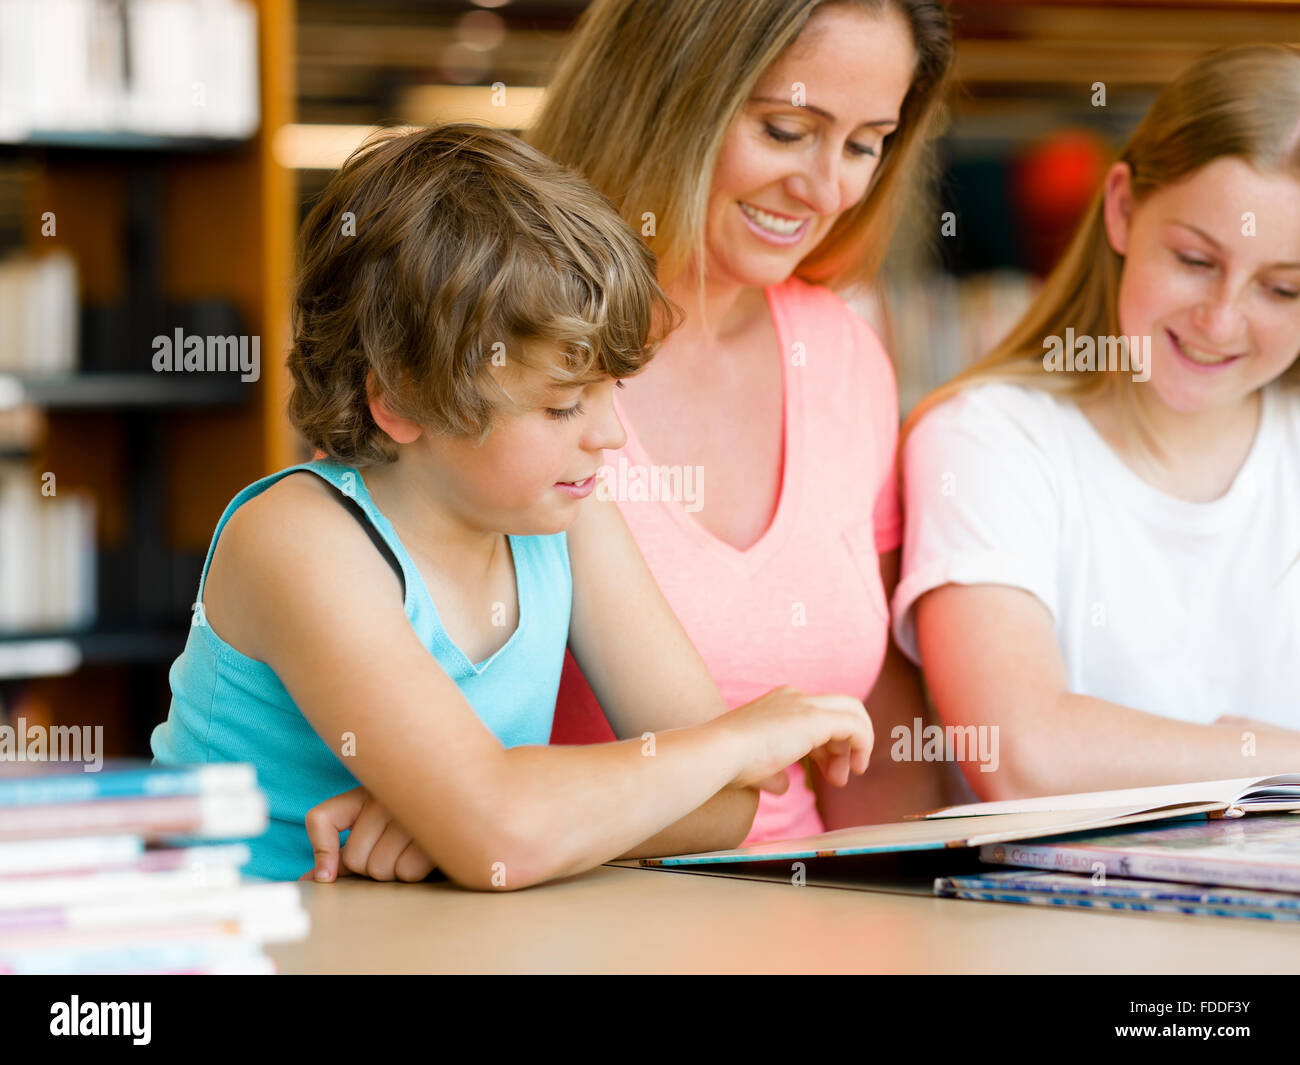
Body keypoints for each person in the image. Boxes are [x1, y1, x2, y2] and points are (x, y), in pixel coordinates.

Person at [150, 124, 874, 886]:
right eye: (562, 405)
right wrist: (737, 740)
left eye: (611, 390)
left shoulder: (567, 518)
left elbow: (723, 812)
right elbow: (511, 833)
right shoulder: (297, 539)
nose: (611, 435)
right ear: (400, 398)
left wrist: (472, 811)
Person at [528, 0, 958, 838]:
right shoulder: (503, 344)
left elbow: (871, 739)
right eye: (788, 129)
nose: (828, 187)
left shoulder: (844, 354)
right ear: (664, 94)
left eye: (866, 143)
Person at [893, 44, 1300, 801]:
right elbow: (1021, 756)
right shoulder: (988, 438)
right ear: (1121, 209)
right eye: (1194, 259)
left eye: (1282, 289)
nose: (1220, 319)